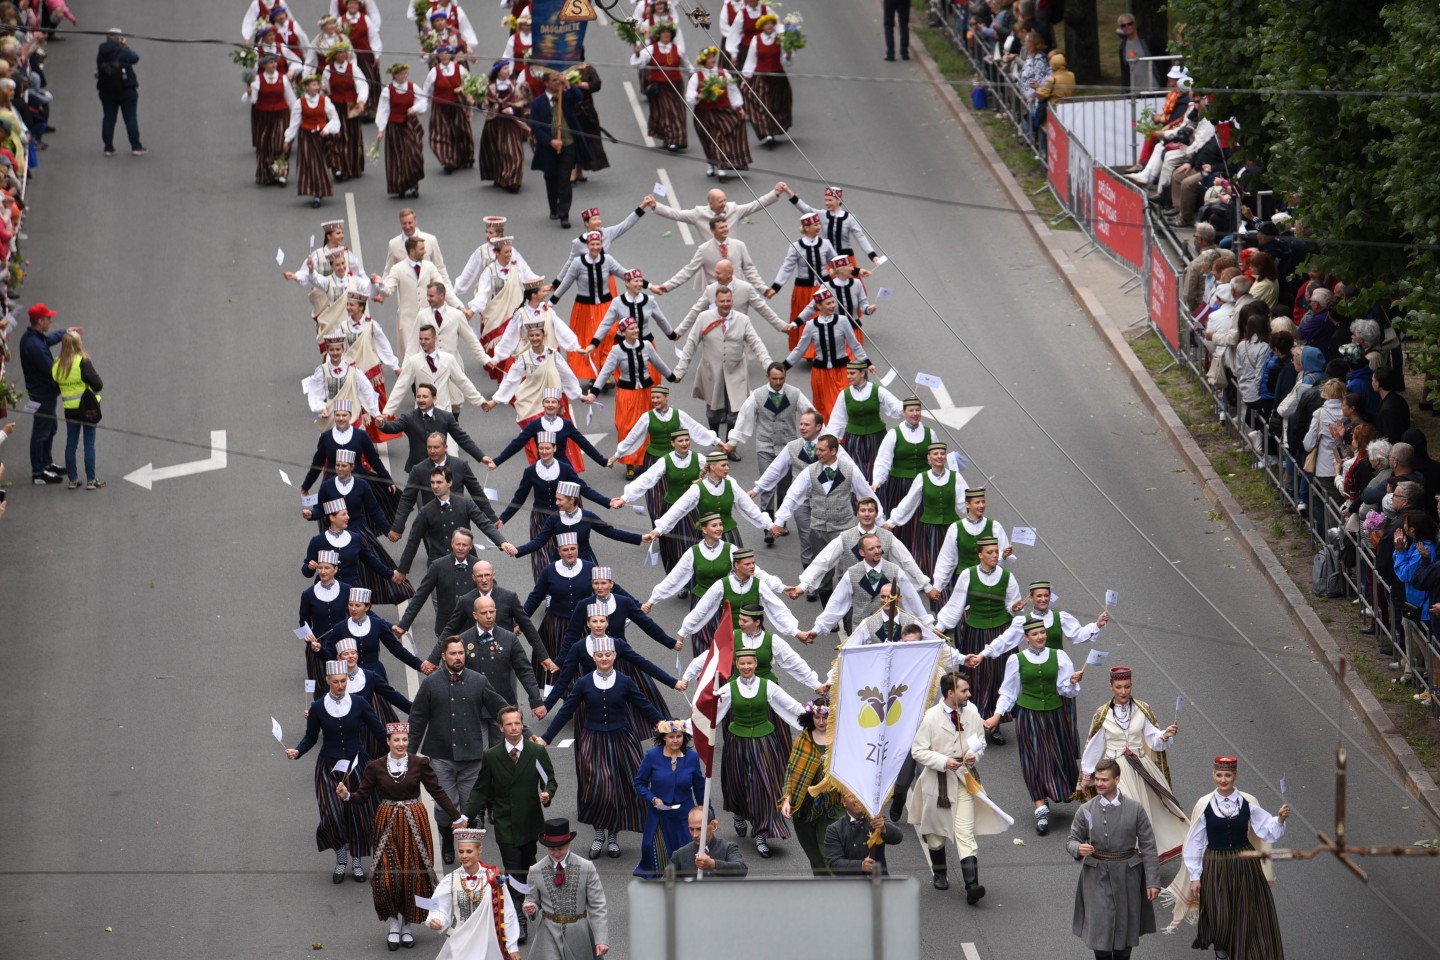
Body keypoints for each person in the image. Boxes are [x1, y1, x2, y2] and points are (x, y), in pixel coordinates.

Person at [336, 722, 466, 951]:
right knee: (387, 878)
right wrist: (347, 795)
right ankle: (393, 923)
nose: (401, 744)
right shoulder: (375, 766)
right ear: (388, 742)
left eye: (404, 740)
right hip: (386, 823)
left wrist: (456, 817)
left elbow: (437, 791)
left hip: (414, 822)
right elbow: (362, 797)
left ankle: (406, 925)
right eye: (396, 740)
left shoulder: (419, 763)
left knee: (412, 877)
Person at [535, 636, 665, 860]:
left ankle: (613, 836)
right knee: (596, 789)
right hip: (593, 741)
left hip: (621, 740)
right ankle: (598, 833)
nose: (604, 658)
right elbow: (566, 710)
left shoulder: (625, 681)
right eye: (599, 655)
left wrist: (665, 724)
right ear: (593, 657)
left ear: (614, 656)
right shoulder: (583, 683)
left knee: (619, 789)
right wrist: (546, 738)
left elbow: (644, 705)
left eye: (608, 655)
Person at [408, 637, 513, 865]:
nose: (458, 657)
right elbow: (417, 718)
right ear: (444, 656)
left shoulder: (478, 680)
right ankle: (446, 838)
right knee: (445, 807)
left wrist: (519, 729)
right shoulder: (431, 683)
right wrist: (409, 754)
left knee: (471, 808)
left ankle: (468, 851)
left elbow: (500, 707)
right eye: (453, 653)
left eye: (461, 653)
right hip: (442, 756)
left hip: (472, 756)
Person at [909, 673, 1013, 902]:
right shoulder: (930, 718)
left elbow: (980, 742)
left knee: (965, 833)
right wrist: (943, 761)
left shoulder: (972, 713)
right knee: (936, 835)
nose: (969, 694)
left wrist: (974, 754)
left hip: (965, 780)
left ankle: (972, 886)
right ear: (950, 693)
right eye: (964, 691)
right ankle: (940, 873)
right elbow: (918, 751)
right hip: (937, 783)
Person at [463, 705, 558, 946]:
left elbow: (550, 780)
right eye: (509, 724)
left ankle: (529, 901)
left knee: (526, 867)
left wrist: (547, 793)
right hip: (505, 823)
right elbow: (481, 789)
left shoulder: (536, 751)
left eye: (518, 723)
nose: (514, 728)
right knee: (514, 869)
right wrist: (466, 816)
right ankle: (519, 919)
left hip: (530, 822)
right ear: (501, 728)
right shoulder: (492, 755)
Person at [286, 660, 388, 883]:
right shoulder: (318, 707)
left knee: (359, 814)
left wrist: (394, 753)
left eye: (343, 681)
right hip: (328, 767)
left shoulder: (359, 702)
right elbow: (311, 737)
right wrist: (298, 751)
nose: (341, 685)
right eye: (336, 682)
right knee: (332, 815)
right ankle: (341, 857)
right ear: (328, 682)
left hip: (357, 765)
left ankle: (357, 862)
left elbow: (378, 729)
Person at [1078, 666, 1189, 863]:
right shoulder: (1102, 713)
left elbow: (1153, 739)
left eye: (1127, 687)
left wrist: (1165, 734)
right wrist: (1086, 776)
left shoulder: (1142, 708)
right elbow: (1093, 746)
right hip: (1114, 771)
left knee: (1146, 813)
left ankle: (1139, 858)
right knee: (1120, 811)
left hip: (1140, 768)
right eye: (1118, 687)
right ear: (1111, 687)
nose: (1123, 691)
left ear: (1132, 686)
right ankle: (1118, 854)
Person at [1181, 757, 1289, 960]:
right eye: (1219, 775)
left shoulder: (1247, 803)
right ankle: (1221, 954)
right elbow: (1195, 843)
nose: (1223, 780)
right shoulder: (1205, 805)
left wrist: (1280, 819)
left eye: (1228, 775)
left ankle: (1245, 953)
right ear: (1213, 775)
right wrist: (1195, 876)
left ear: (1235, 776)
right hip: (1216, 866)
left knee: (1245, 915)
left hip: (1244, 866)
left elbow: (1267, 830)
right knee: (1220, 917)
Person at [985, 617, 1084, 835]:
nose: (1040, 637)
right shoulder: (1016, 660)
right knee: (1034, 759)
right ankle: (1040, 807)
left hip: (1055, 715)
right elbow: (1008, 691)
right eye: (1035, 634)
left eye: (1042, 633)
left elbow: (1064, 689)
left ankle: (1066, 793)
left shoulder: (1059, 656)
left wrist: (1072, 682)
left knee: (1060, 756)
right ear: (1026, 638)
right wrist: (996, 716)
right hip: (1028, 716)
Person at [1067, 757, 1161, 960]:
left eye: (1104, 780)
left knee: (1124, 933)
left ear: (1117, 780)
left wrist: (1153, 881)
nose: (1099, 784)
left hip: (1128, 875)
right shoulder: (1086, 810)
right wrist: (1078, 848)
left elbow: (1148, 846)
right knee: (1100, 931)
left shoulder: (1135, 809)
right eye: (1097, 779)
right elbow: (1071, 840)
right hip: (1095, 875)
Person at [715, 647, 806, 857]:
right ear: (737, 665)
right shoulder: (728, 688)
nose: (746, 667)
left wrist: (818, 717)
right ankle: (739, 813)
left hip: (764, 743)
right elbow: (710, 712)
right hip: (737, 743)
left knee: (763, 787)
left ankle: (760, 832)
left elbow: (791, 705)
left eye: (750, 663)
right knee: (737, 783)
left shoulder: (768, 686)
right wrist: (683, 726)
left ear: (756, 664)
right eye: (742, 663)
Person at [934, 536, 1021, 739]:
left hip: (1001, 631)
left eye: (996, 552)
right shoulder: (968, 574)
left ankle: (995, 722)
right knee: (977, 677)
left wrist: (1014, 607)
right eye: (989, 552)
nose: (994, 556)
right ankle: (972, 719)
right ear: (980, 554)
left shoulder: (1007, 576)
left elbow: (1012, 604)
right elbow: (956, 604)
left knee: (999, 678)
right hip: (976, 632)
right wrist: (939, 628)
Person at [673, 288, 773, 443]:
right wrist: (680, 371)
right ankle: (715, 439)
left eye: (729, 301)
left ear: (732, 301)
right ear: (715, 302)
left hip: (736, 372)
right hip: (712, 373)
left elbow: (757, 343)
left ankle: (729, 444)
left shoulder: (743, 320)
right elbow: (691, 344)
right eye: (722, 301)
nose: (726, 304)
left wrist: (769, 366)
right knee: (714, 412)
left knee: (735, 412)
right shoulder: (703, 318)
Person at [452, 596, 546, 733]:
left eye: (492, 611)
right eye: (484, 613)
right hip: (473, 707)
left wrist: (536, 701)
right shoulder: (464, 640)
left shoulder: (509, 638)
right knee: (480, 752)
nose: (489, 616)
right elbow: (452, 674)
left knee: (504, 751)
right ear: (475, 615)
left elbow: (524, 671)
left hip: (503, 706)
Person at [425, 827, 522, 959]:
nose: (464, 856)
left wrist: (512, 947)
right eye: (461, 851)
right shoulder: (451, 879)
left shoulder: (493, 878)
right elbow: (438, 904)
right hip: (459, 941)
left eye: (469, 851)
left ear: (479, 850)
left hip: (487, 941)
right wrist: (436, 919)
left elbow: (508, 912)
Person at [522, 819, 610, 960]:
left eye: (560, 849)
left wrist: (601, 938)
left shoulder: (586, 867)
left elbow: (597, 905)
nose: (556, 853)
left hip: (579, 934)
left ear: (568, 843)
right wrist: (531, 908)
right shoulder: (535, 870)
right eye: (552, 849)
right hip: (548, 934)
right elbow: (531, 900)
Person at [633, 720, 706, 876]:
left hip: (684, 815)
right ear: (663, 737)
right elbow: (639, 783)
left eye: (679, 736)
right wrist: (653, 799)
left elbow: (700, 788)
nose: (675, 740)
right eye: (671, 736)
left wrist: (708, 813)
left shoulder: (692, 757)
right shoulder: (652, 756)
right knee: (652, 850)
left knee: (688, 855)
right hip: (659, 814)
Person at [780, 697, 843, 875]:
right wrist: (787, 799)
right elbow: (792, 771)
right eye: (817, 717)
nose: (821, 722)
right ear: (811, 717)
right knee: (815, 857)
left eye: (825, 717)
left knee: (827, 853)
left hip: (833, 805)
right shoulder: (803, 740)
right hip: (805, 806)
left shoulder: (840, 739)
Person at [437, 560, 546, 661]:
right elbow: (450, 629)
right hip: (478, 658)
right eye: (480, 576)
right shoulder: (466, 600)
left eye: (487, 575)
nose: (484, 580)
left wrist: (544, 657)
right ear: (473, 577)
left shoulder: (509, 597)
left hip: (505, 658)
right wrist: (432, 659)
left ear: (493, 575)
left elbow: (527, 627)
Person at [19, 303, 73, 484]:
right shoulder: (34, 345)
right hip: (42, 395)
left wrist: (64, 332)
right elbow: (52, 371)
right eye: (48, 318)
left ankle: (46, 463)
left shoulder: (33, 338)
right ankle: (38, 471)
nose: (50, 321)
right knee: (41, 432)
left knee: (50, 428)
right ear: (40, 321)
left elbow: (48, 340)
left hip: (45, 394)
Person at [379, 384, 487, 474]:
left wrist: (481, 457)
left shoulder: (446, 417)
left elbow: (462, 438)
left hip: (441, 471)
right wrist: (382, 424)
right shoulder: (408, 417)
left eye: (425, 397)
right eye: (418, 396)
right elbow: (392, 427)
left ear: (434, 398)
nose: (421, 400)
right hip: (418, 472)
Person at [529, 68, 588, 229]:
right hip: (549, 148)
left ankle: (564, 214)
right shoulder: (538, 103)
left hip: (568, 145)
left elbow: (579, 96)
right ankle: (553, 208)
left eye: (558, 79)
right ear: (546, 83)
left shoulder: (566, 97)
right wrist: (550, 141)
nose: (557, 82)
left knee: (564, 180)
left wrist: (567, 83)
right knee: (551, 178)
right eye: (554, 80)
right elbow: (536, 128)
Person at [397, 528, 481, 639]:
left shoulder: (478, 566)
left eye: (464, 545)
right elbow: (420, 596)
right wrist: (404, 624)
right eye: (458, 544)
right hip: (446, 629)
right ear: (452, 544)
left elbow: (493, 593)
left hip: (472, 628)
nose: (460, 548)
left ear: (470, 547)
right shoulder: (438, 566)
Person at [686, 46, 750, 181]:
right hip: (704, 114)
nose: (712, 59)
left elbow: (732, 91)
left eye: (713, 57)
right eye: (709, 57)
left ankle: (721, 168)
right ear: (704, 60)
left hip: (722, 112)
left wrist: (739, 108)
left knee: (719, 138)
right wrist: (699, 96)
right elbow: (689, 96)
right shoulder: (696, 77)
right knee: (708, 140)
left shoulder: (723, 73)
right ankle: (710, 163)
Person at [50, 329, 103, 490]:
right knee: (89, 443)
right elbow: (98, 385)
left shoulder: (57, 364)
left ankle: (72, 480)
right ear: (77, 344)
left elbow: (55, 384)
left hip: (69, 409)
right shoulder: (83, 361)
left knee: (71, 443)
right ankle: (91, 480)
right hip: (87, 409)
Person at [630, 21, 688, 152]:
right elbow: (638, 63)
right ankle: (668, 138)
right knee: (664, 113)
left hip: (675, 86)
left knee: (677, 113)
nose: (666, 34)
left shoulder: (678, 49)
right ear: (658, 34)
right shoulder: (651, 49)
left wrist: (694, 76)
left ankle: (676, 139)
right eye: (663, 32)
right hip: (660, 87)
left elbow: (686, 66)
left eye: (668, 32)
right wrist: (638, 54)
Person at [284, 74, 340, 208]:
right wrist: (288, 140)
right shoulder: (300, 103)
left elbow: (334, 119)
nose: (316, 87)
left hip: (322, 136)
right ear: (307, 87)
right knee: (312, 165)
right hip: (307, 137)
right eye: (313, 85)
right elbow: (294, 123)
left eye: (317, 84)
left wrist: (327, 129)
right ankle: (317, 193)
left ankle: (320, 190)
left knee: (321, 164)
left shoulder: (325, 101)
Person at [374, 64, 427, 199]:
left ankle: (414, 182)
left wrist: (414, 108)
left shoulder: (412, 87)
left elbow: (423, 101)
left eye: (405, 73)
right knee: (397, 158)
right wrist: (381, 130)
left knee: (414, 154)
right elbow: (383, 110)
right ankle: (401, 186)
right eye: (401, 74)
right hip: (395, 127)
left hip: (410, 125)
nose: (403, 76)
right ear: (394, 75)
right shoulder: (388, 90)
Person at [739, 13, 792, 146]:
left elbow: (786, 61)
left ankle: (774, 130)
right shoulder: (756, 40)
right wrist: (746, 77)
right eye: (766, 24)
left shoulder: (780, 39)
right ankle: (767, 133)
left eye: (771, 24)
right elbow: (751, 60)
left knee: (778, 104)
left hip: (778, 78)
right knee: (764, 104)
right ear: (762, 26)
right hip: (761, 78)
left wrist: (789, 55)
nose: (769, 26)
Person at [421, 45, 474, 174]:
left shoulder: (460, 69)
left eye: (447, 53)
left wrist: (463, 91)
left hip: (457, 107)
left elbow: (470, 87)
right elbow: (426, 91)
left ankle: (465, 158)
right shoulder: (434, 72)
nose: (444, 56)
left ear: (451, 55)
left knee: (462, 132)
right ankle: (448, 161)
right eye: (441, 54)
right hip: (440, 108)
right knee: (440, 134)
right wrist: (422, 107)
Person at [480, 60, 530, 194]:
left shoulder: (515, 86)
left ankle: (513, 180)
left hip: (510, 123)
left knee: (514, 152)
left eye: (509, 68)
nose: (508, 71)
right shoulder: (488, 87)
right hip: (494, 123)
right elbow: (481, 105)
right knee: (497, 151)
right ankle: (500, 177)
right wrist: (484, 104)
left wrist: (512, 111)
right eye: (505, 69)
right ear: (498, 72)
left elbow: (523, 102)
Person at [825, 792, 903, 876]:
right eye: (852, 796)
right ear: (843, 801)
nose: (857, 799)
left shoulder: (877, 820)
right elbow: (834, 864)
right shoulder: (834, 829)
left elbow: (898, 838)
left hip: (878, 882)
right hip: (850, 885)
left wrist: (883, 827)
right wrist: (860, 866)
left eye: (860, 795)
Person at [96, 27, 144, 156]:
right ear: (119, 39)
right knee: (130, 118)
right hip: (126, 91)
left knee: (109, 118)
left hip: (106, 91)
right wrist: (125, 46)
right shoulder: (123, 52)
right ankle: (136, 147)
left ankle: (108, 148)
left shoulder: (101, 52)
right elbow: (135, 58)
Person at [670, 805, 750, 877]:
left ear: (712, 825)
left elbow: (742, 869)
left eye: (699, 829)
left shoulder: (728, 848)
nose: (695, 835)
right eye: (691, 829)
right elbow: (666, 885)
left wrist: (713, 864)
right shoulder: (679, 855)